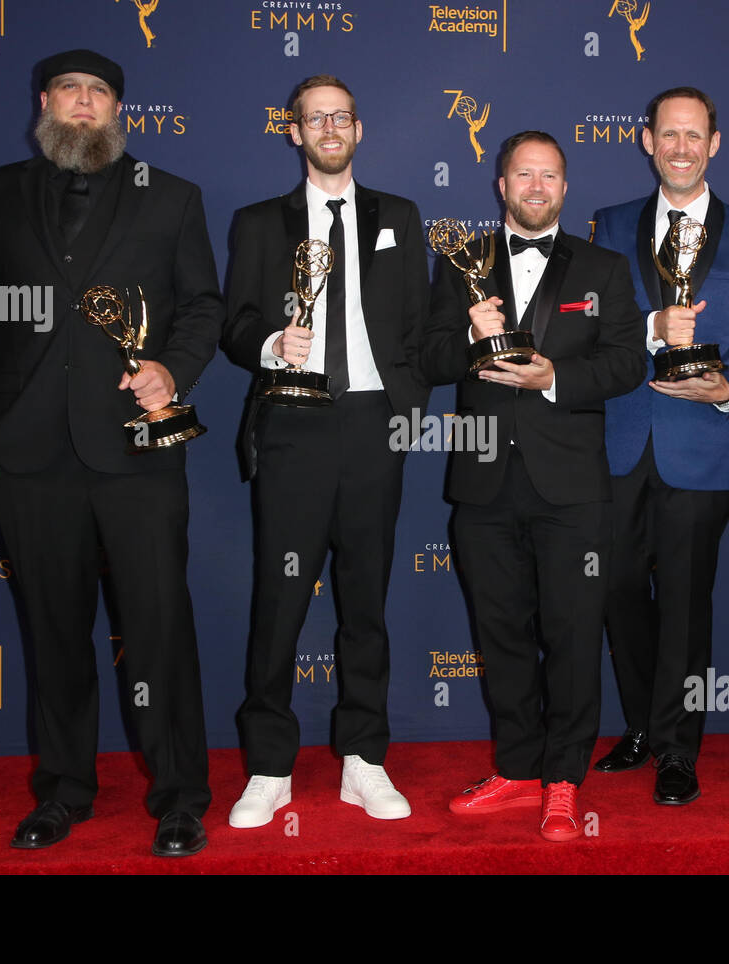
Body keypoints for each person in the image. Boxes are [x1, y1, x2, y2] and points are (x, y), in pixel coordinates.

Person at [0, 49, 222, 856]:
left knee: (159, 626)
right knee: (53, 629)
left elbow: (202, 306)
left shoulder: (171, 197)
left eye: (99, 92)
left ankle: (180, 796)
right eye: (69, 89)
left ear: (117, 110)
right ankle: (63, 792)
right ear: (45, 102)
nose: (83, 102)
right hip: (27, 451)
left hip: (136, 449)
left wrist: (173, 366)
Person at [221, 75, 430, 829]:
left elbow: (417, 327)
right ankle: (270, 765)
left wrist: (411, 402)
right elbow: (234, 322)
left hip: (376, 427)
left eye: (341, 116)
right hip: (293, 424)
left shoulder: (400, 216)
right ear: (293, 132)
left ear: (359, 129)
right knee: (279, 602)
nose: (330, 128)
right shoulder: (258, 222)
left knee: (365, 603)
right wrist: (274, 343)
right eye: (316, 118)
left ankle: (363, 759)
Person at [427, 131, 645, 841]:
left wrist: (556, 378)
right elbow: (424, 358)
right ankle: (518, 769)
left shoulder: (605, 269)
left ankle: (562, 780)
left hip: (573, 489)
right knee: (503, 635)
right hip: (484, 483)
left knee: (574, 636)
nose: (537, 186)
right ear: (501, 184)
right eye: (525, 173)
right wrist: (466, 333)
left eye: (550, 175)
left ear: (565, 186)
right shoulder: (460, 263)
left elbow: (625, 366)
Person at [591, 88, 729, 804]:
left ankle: (677, 749)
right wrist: (647, 330)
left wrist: (727, 388)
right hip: (617, 441)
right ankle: (641, 723)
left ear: (716, 144)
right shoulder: (608, 227)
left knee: (686, 604)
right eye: (668, 133)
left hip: (702, 445)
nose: (680, 146)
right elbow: (593, 324)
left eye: (693, 135)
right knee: (613, 589)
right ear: (646, 141)